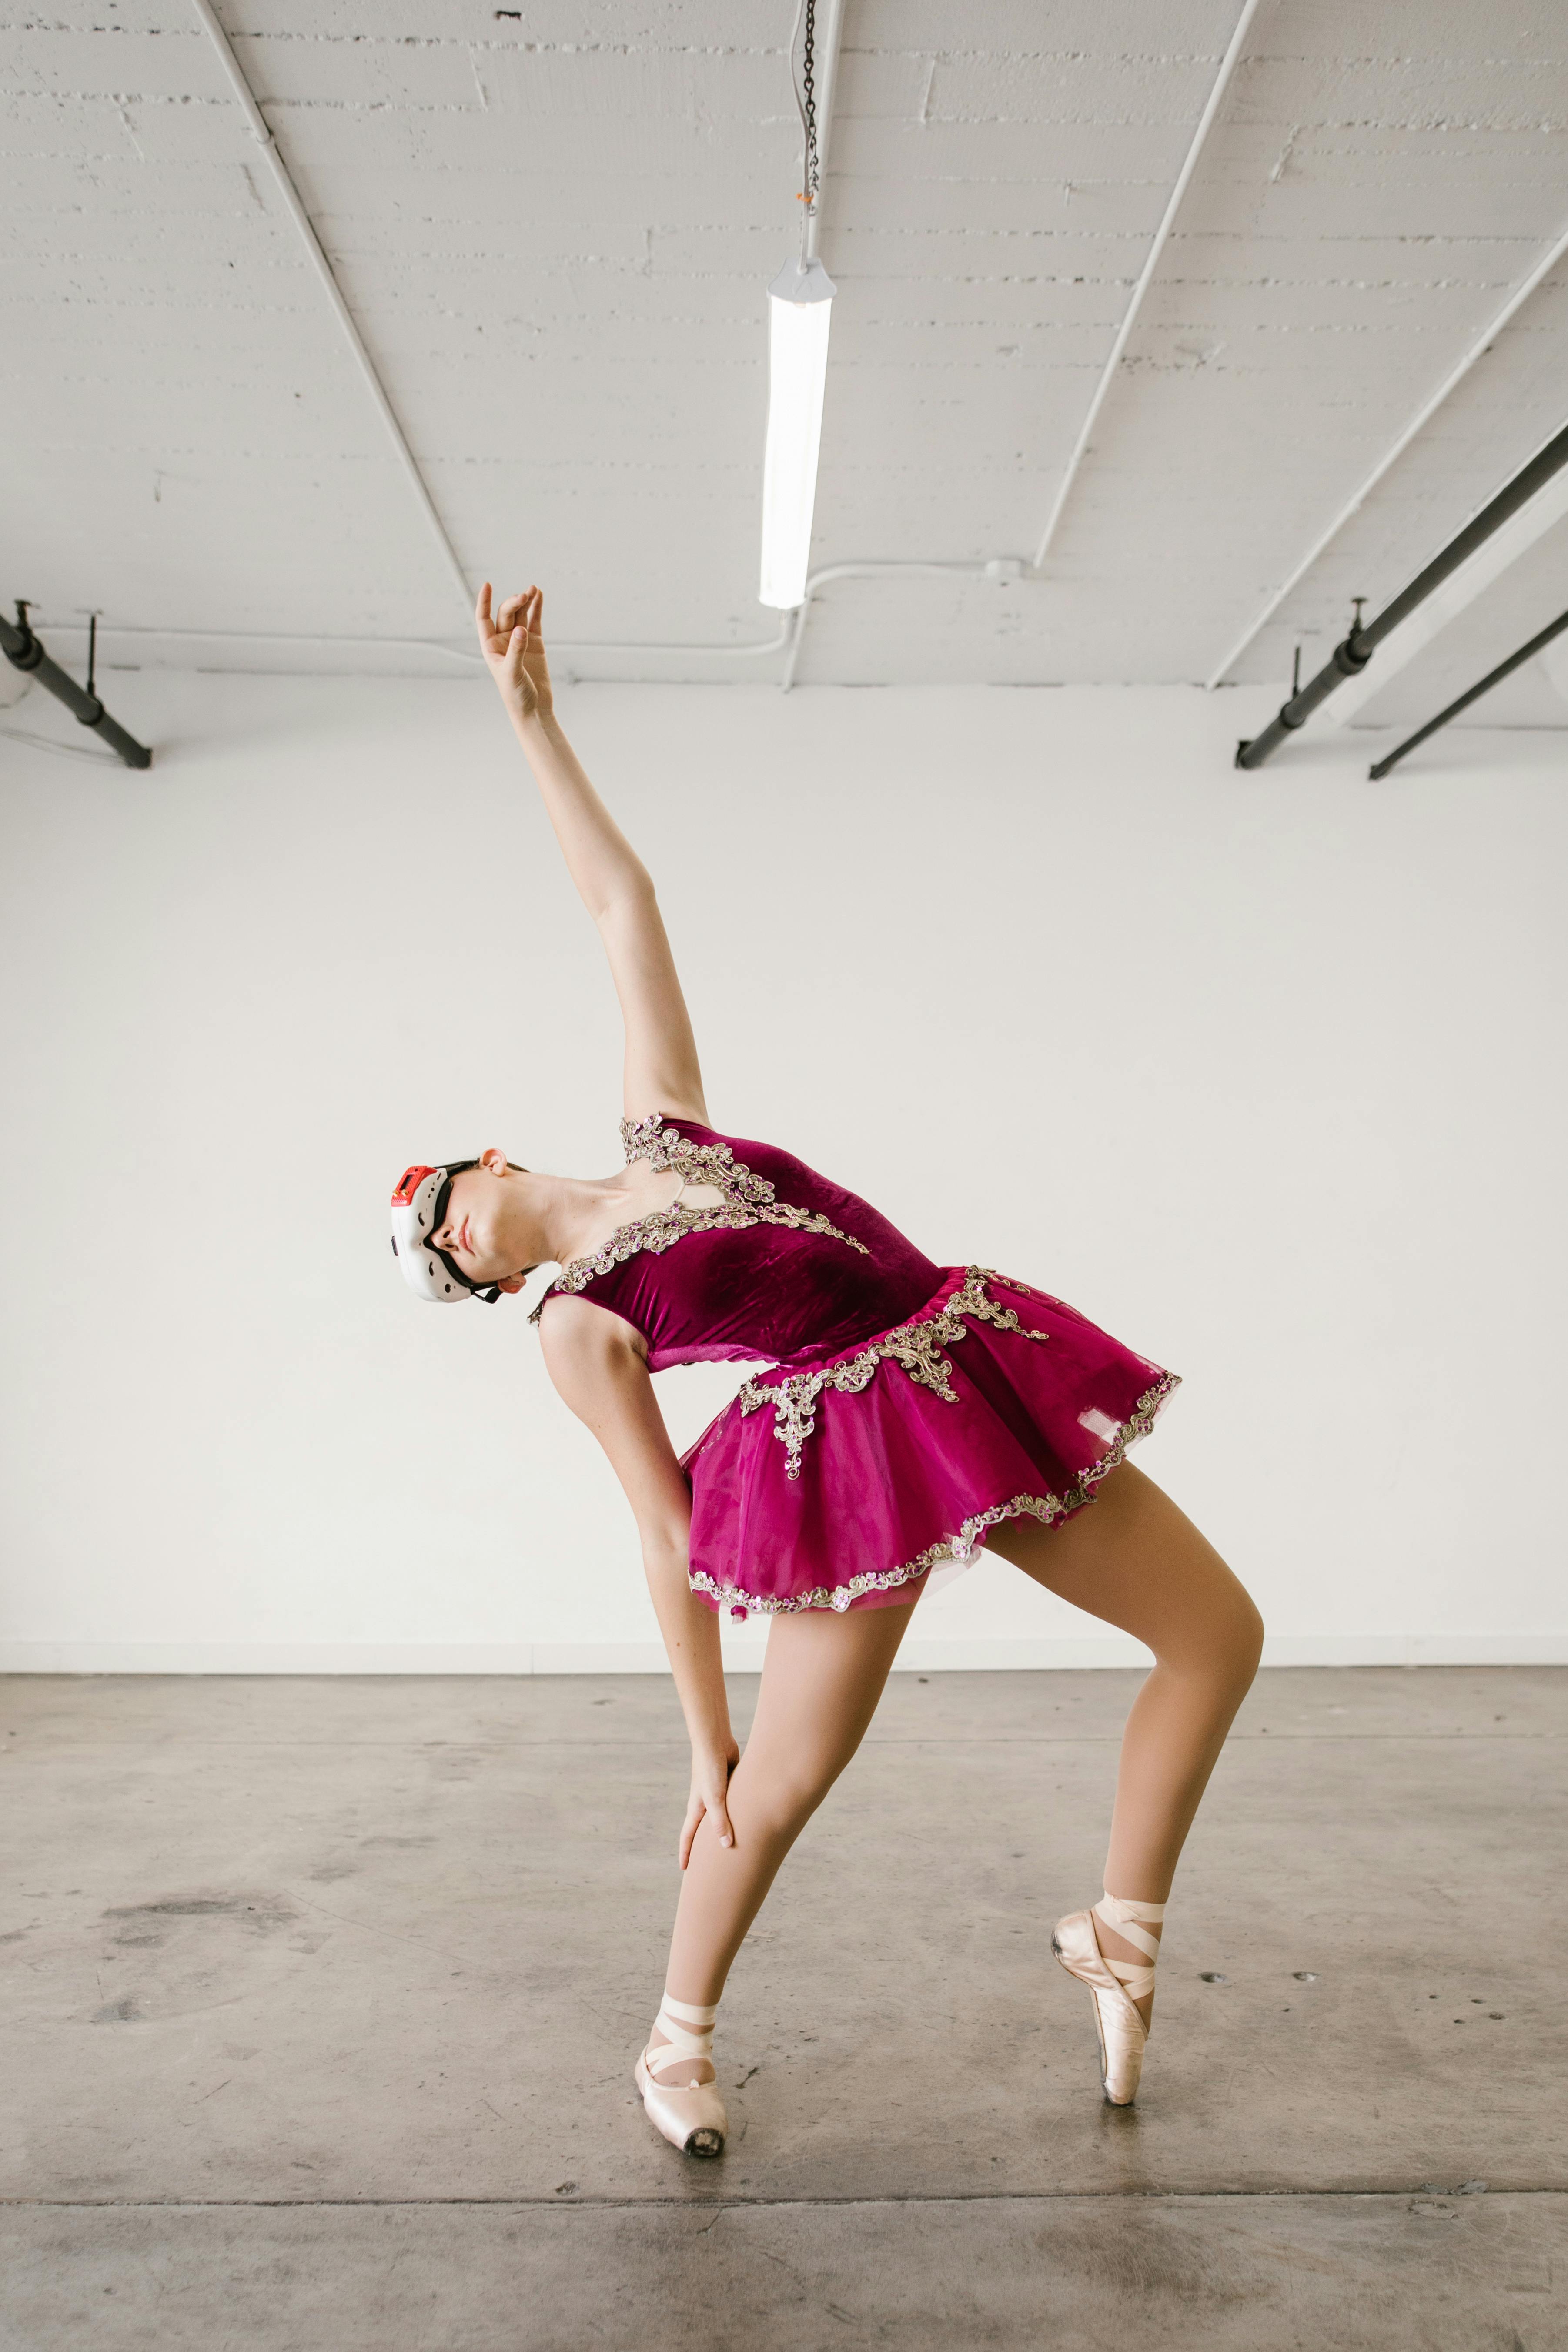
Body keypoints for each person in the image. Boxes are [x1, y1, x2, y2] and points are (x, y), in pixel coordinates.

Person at [388, 583, 1264, 2159]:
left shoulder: (666, 1122)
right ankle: (675, 2043)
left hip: (965, 1365)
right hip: (846, 1459)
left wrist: (531, 715)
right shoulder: (577, 1323)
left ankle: (1119, 1936)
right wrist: (698, 1732)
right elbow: (661, 1531)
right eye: (443, 1255)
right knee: (775, 1788)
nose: (450, 1228)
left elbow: (622, 910)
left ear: (490, 1161)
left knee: (1217, 1634)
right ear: (486, 1282)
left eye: (439, 1199)